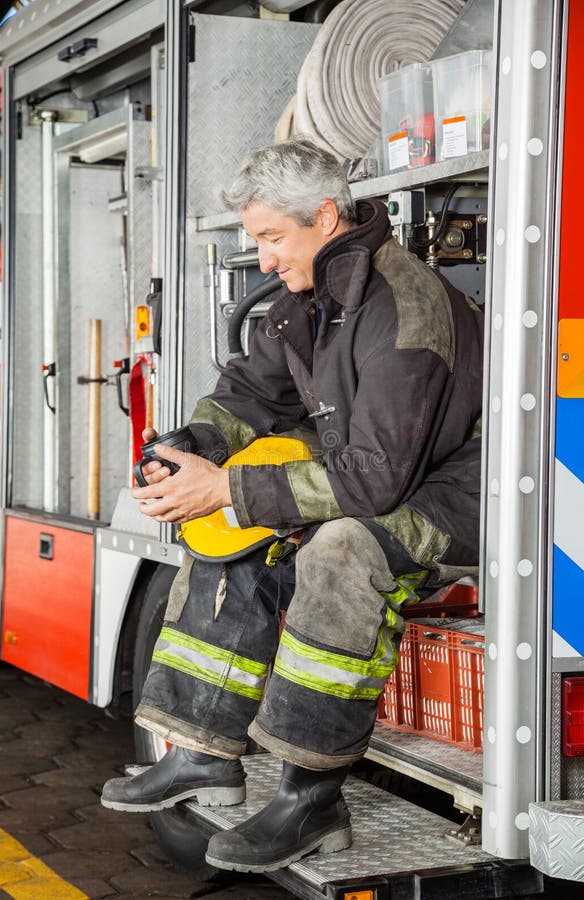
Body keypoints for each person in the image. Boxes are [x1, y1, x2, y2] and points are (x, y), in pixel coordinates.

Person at [101, 138, 483, 873]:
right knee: (224, 528)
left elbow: (375, 480)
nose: (265, 257)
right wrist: (195, 446)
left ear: (327, 217)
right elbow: (250, 393)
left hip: (450, 498)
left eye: (273, 237)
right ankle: (204, 749)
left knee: (342, 548)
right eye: (257, 240)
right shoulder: (307, 302)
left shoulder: (404, 307)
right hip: (375, 479)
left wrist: (233, 490)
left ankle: (311, 796)